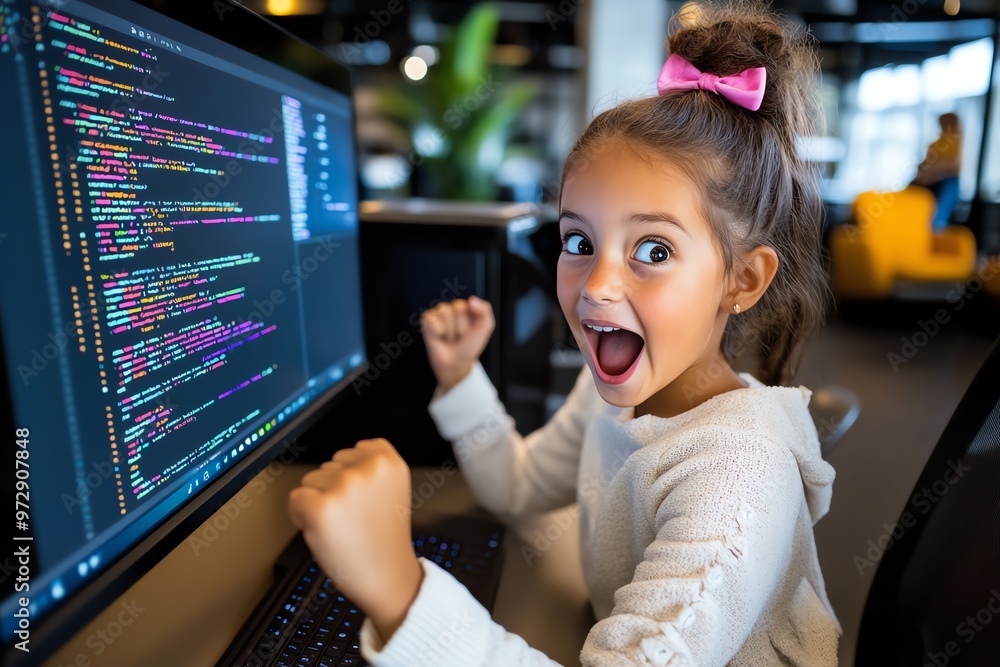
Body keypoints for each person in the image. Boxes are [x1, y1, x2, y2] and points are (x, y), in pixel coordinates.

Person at [288, 1, 841, 664]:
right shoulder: (608, 391)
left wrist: (401, 592)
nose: (597, 285)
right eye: (579, 239)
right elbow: (518, 488)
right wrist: (462, 378)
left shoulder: (737, 477)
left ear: (742, 280)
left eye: (654, 250)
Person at [913, 112, 962, 231]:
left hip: (945, 182)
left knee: (937, 218)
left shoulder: (958, 143)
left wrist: (934, 172)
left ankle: (935, 227)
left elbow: (954, 167)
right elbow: (926, 165)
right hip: (929, 181)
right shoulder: (934, 145)